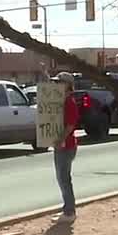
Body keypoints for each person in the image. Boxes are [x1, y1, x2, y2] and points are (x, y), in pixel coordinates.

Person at [53, 72, 81, 222]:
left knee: (64, 178)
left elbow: (70, 125)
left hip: (67, 146)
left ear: (67, 85)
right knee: (61, 178)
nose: (56, 85)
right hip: (61, 145)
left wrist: (61, 139)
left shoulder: (69, 102)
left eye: (60, 82)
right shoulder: (61, 100)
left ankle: (70, 212)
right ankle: (67, 209)